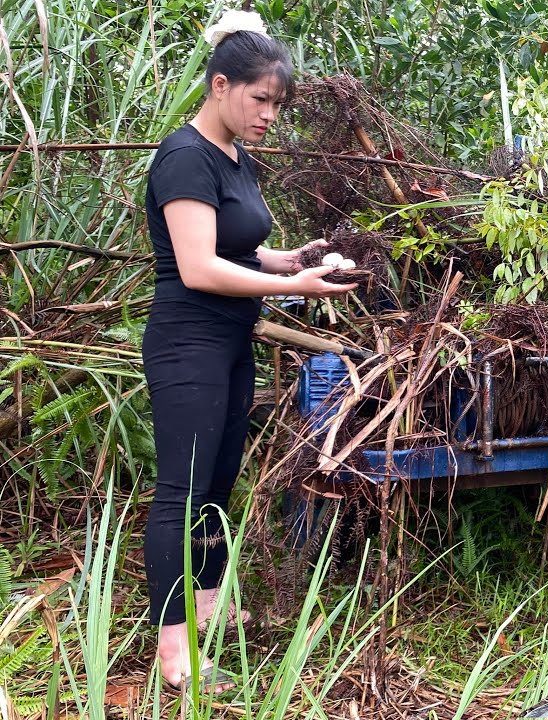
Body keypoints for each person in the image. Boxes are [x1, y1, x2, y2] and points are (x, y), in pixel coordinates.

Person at [142, 10, 355, 691]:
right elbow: (200, 265)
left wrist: (292, 257)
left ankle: (208, 606)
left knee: (217, 485)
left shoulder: (237, 157)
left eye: (278, 104)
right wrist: (291, 283)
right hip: (188, 341)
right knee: (182, 489)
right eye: (261, 100)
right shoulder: (183, 157)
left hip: (232, 341)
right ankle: (174, 651)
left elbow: (240, 247)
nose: (269, 114)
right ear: (220, 84)